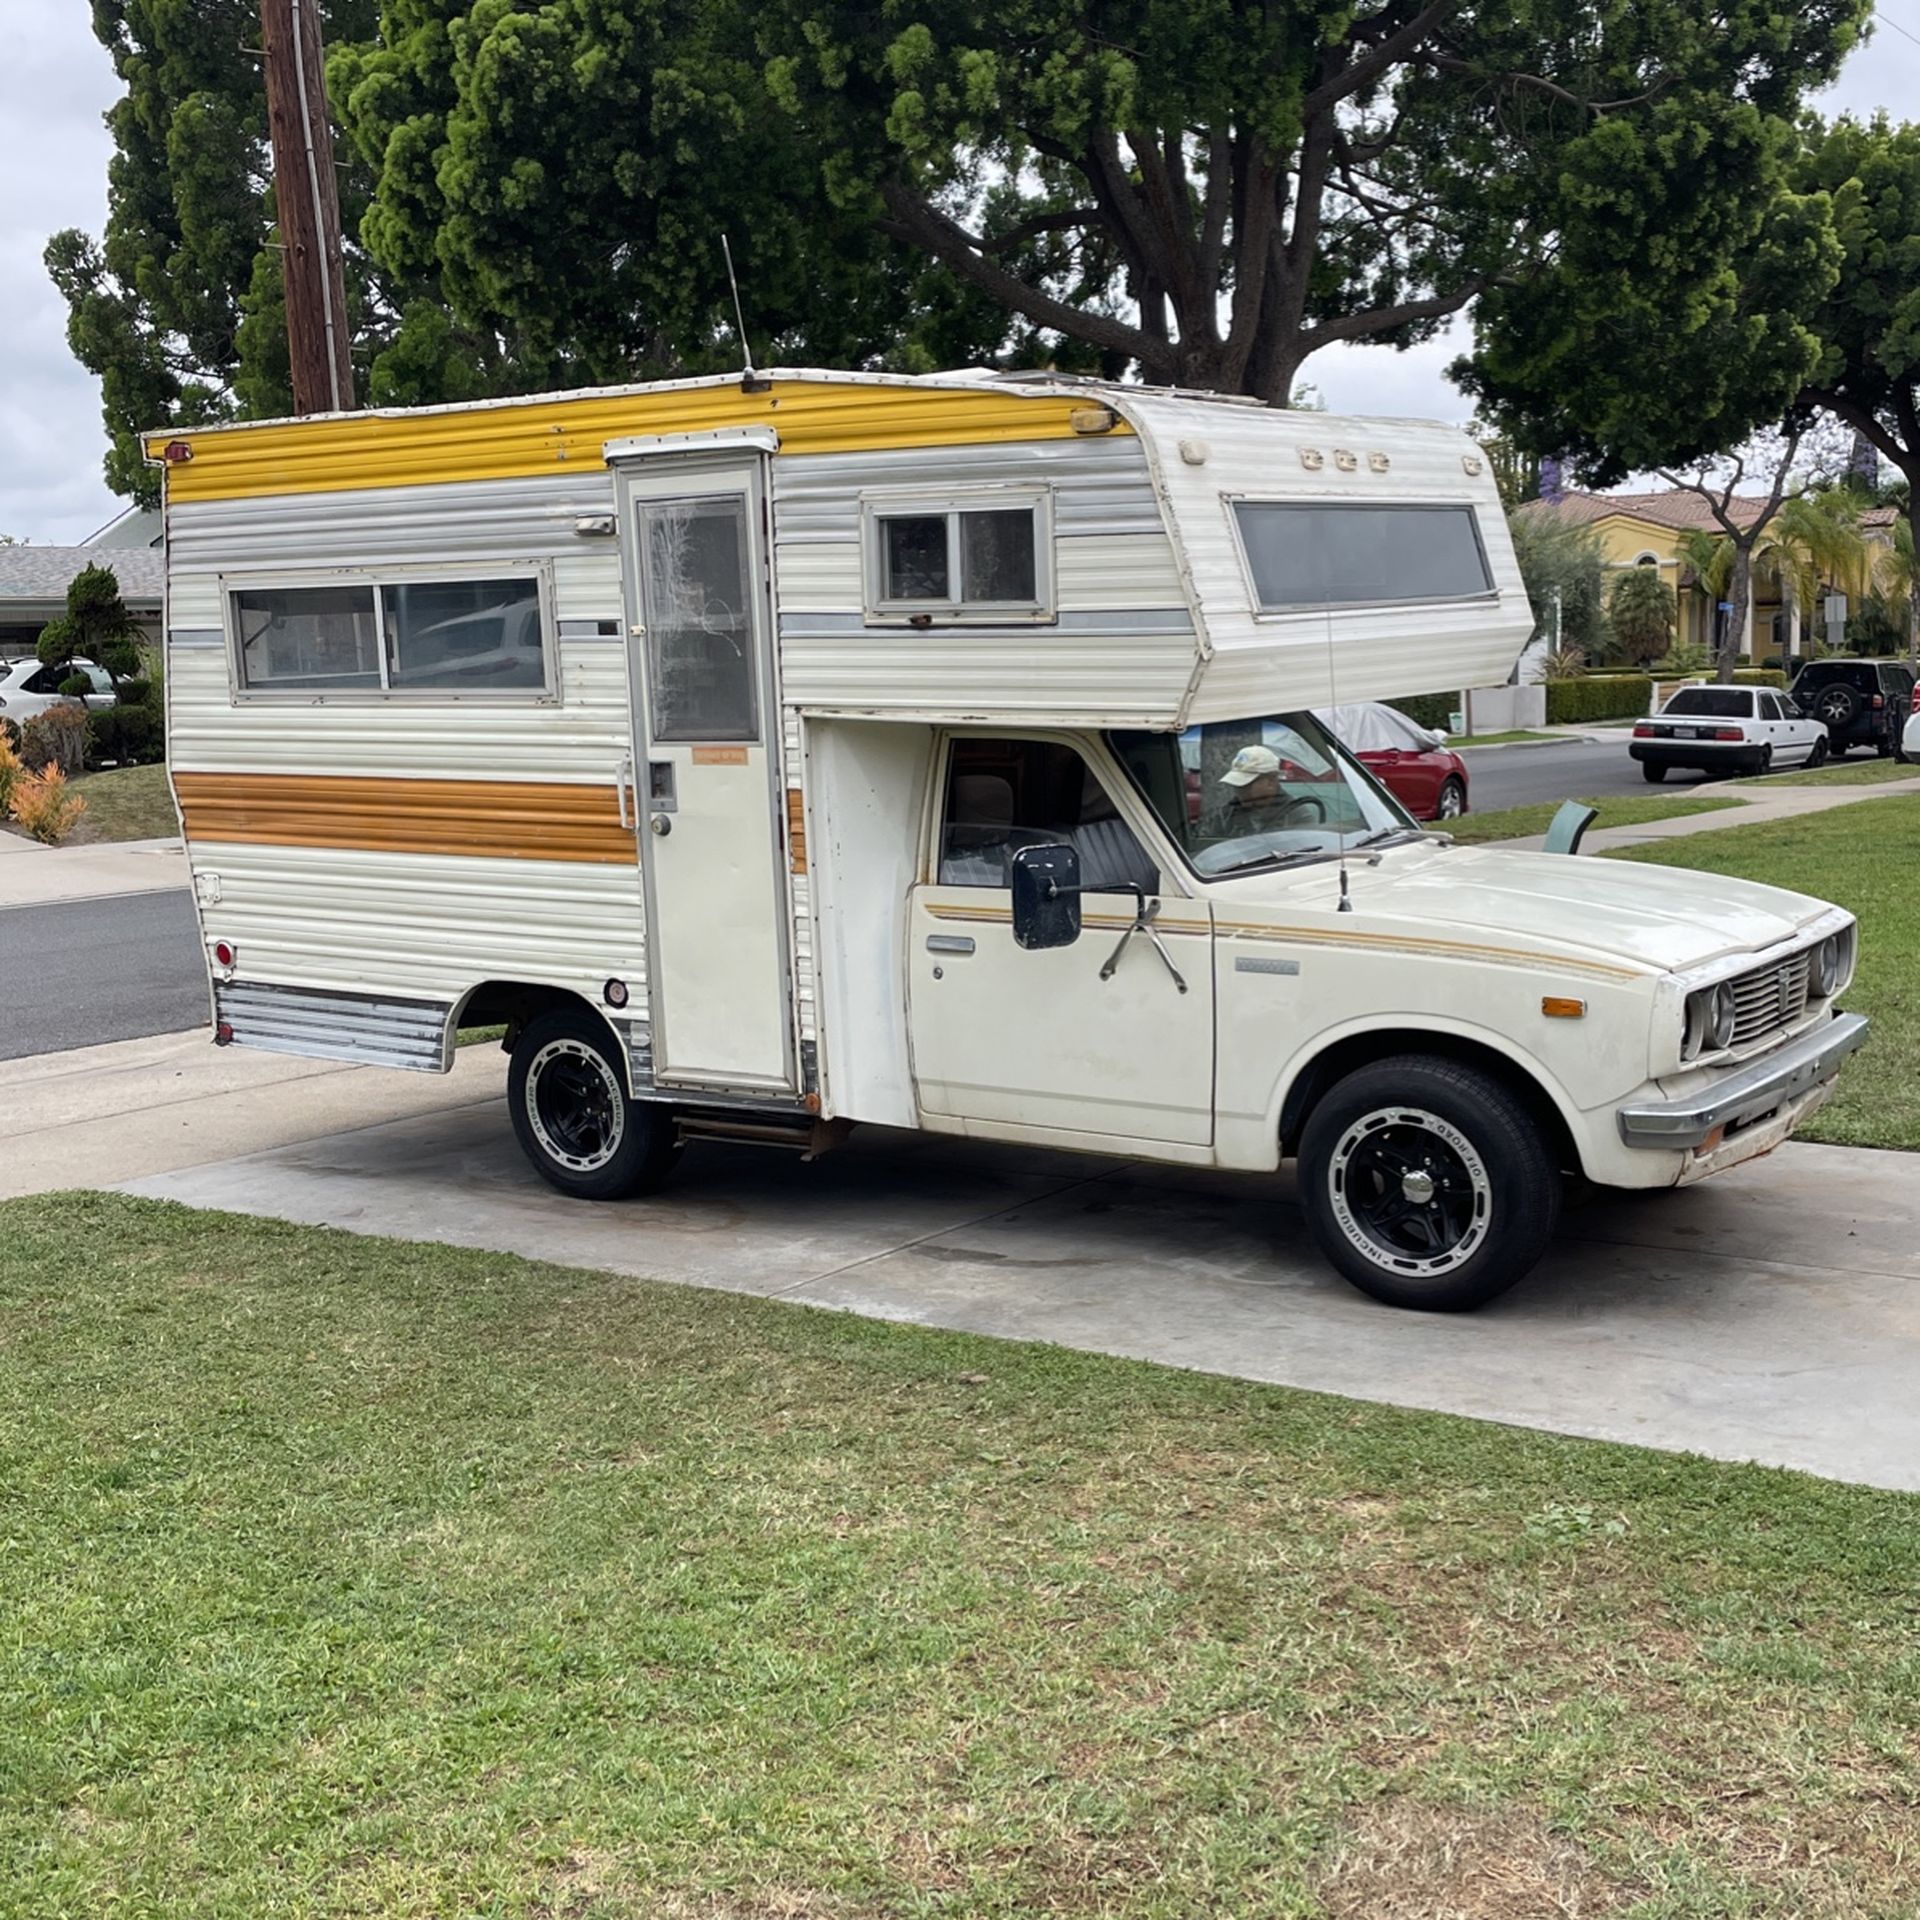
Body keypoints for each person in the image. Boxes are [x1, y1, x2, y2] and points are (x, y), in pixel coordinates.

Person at [1202, 743, 1323, 838]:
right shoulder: (1225, 816)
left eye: (1247, 785)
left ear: (1270, 781)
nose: (1240, 791)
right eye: (1237, 785)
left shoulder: (1296, 816)